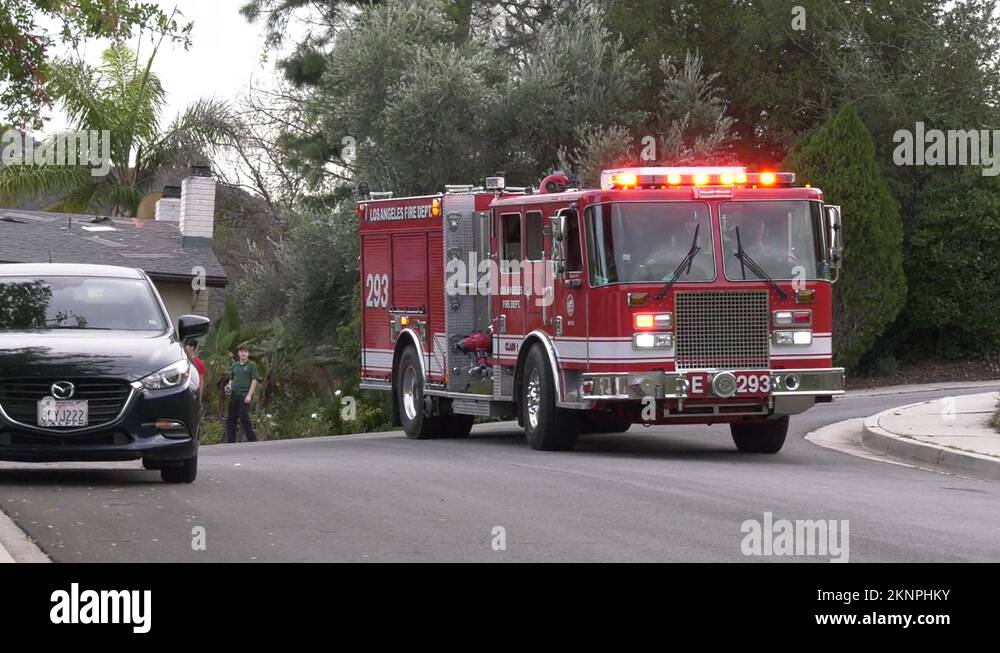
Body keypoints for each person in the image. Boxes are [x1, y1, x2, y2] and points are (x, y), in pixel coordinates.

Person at [225, 345, 259, 443]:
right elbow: (231, 379)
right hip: (234, 393)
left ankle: (252, 439)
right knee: (231, 417)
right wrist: (229, 387)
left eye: (246, 351)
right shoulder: (235, 366)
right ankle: (231, 441)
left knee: (243, 415)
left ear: (248, 354)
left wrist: (249, 395)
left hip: (245, 394)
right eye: (242, 351)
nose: (243, 353)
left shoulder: (251, 365)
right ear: (238, 353)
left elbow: (254, 381)